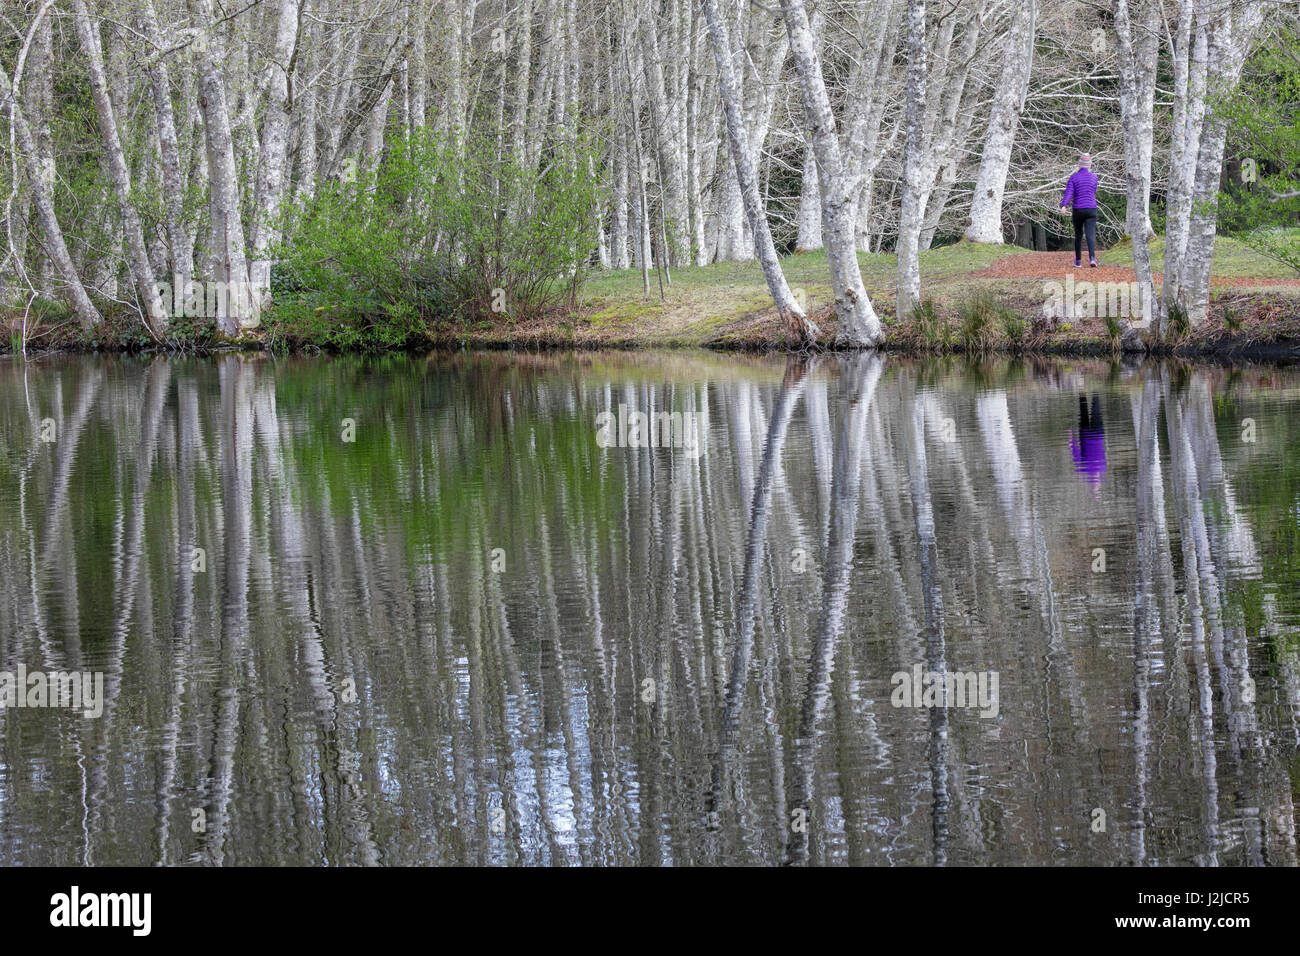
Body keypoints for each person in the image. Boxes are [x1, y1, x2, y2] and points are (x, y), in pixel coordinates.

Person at [1060, 154, 1099, 268]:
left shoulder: (1074, 178)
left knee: (1078, 234)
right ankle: (1092, 258)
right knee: (1090, 234)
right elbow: (1093, 190)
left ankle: (1078, 261)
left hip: (1078, 209)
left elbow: (1069, 193)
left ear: (1079, 164)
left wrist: (1064, 205)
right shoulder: (1094, 177)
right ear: (1089, 165)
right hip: (1091, 208)